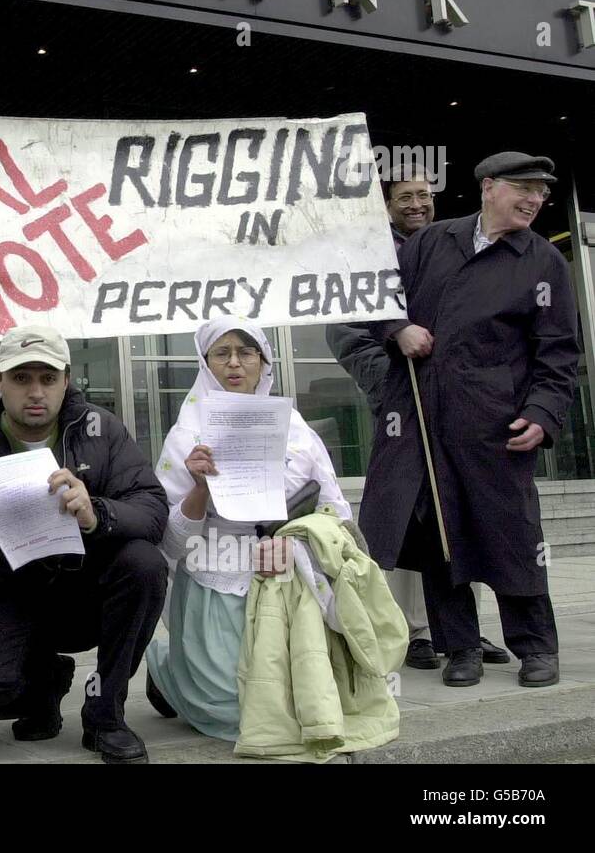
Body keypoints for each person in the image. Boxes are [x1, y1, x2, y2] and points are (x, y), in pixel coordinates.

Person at [361, 151, 580, 688]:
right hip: (423, 420)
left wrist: (542, 413)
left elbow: (559, 353)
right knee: (438, 533)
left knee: (513, 532)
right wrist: (398, 329)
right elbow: (374, 296)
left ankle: (535, 647)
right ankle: (458, 647)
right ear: (487, 188)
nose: (534, 200)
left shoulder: (542, 261)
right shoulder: (433, 242)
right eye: (523, 188)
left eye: (541, 192)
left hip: (498, 424)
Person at [0, 325, 167, 764]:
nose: (36, 392)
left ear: (66, 381)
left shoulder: (101, 430)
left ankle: (106, 712)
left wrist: (97, 513)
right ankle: (42, 686)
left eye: (48, 379)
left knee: (144, 563)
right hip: (11, 594)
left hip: (86, 592)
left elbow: (152, 507)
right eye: (21, 378)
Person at [146, 316, 362, 741]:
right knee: (235, 712)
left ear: (264, 363)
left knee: (303, 709)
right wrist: (199, 489)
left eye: (246, 353)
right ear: (206, 364)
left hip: (290, 577)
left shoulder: (296, 429)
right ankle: (168, 666)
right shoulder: (185, 435)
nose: (234, 364)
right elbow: (171, 541)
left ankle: (180, 666)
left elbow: (335, 513)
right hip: (217, 579)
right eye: (221, 353)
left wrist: (297, 541)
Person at [326, 166, 507, 670]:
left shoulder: (453, 249)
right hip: (399, 408)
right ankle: (414, 630)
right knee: (406, 517)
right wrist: (394, 386)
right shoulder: (369, 255)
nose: (416, 204)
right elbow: (345, 332)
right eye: (404, 197)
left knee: (455, 515)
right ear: (386, 205)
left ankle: (463, 632)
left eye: (424, 196)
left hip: (456, 408)